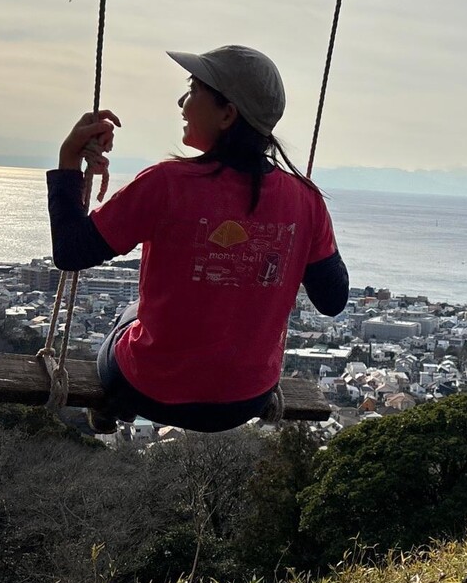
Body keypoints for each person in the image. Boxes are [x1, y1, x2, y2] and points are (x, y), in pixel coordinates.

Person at [47, 44, 349, 433]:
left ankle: (110, 409)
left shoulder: (165, 184)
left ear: (227, 114)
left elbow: (71, 251)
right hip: (246, 398)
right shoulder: (306, 200)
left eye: (192, 90)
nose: (182, 102)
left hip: (148, 389)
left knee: (131, 313)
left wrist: (69, 159)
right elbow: (333, 299)